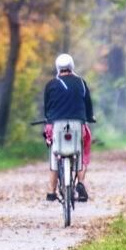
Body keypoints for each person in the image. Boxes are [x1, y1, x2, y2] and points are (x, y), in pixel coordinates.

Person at [41, 52, 94, 202]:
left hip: (56, 125)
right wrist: (90, 117)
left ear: (58, 67)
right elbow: (88, 105)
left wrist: (49, 119)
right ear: (72, 66)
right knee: (82, 150)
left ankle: (51, 191)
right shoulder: (81, 83)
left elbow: (47, 108)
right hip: (78, 125)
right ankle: (81, 183)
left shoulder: (51, 84)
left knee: (54, 151)